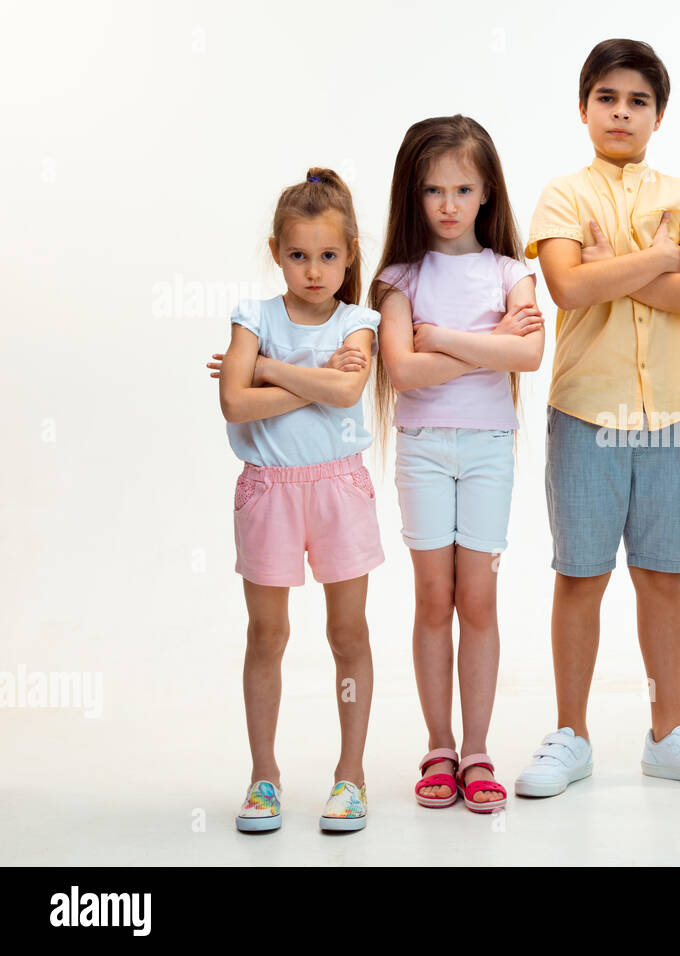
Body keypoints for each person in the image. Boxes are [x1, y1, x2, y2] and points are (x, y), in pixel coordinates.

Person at [516, 38, 680, 796]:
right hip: (586, 410)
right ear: (583, 108)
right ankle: (572, 735)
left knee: (661, 576)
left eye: (638, 101)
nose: (621, 112)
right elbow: (568, 290)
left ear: (659, 115)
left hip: (673, 415)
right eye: (607, 98)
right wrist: (660, 259)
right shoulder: (563, 194)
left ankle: (667, 732)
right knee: (579, 575)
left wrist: (611, 266)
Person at [371, 116, 543, 813]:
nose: (447, 204)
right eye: (433, 190)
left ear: (486, 193)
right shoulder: (399, 276)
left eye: (463, 188)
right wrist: (483, 341)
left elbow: (528, 355)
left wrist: (440, 335)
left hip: (486, 451)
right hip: (422, 451)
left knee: (479, 598)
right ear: (413, 196)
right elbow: (403, 372)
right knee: (432, 598)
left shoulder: (511, 272)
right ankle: (437, 745)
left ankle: (476, 750)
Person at [210, 168, 383, 832]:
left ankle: (351, 774)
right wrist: (306, 376)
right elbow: (233, 402)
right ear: (277, 251)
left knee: (348, 634)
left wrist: (269, 369)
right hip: (269, 494)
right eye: (299, 255)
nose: (314, 270)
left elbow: (347, 396)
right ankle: (264, 776)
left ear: (348, 255)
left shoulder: (358, 321)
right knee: (267, 634)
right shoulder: (252, 316)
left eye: (329, 256)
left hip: (339, 489)